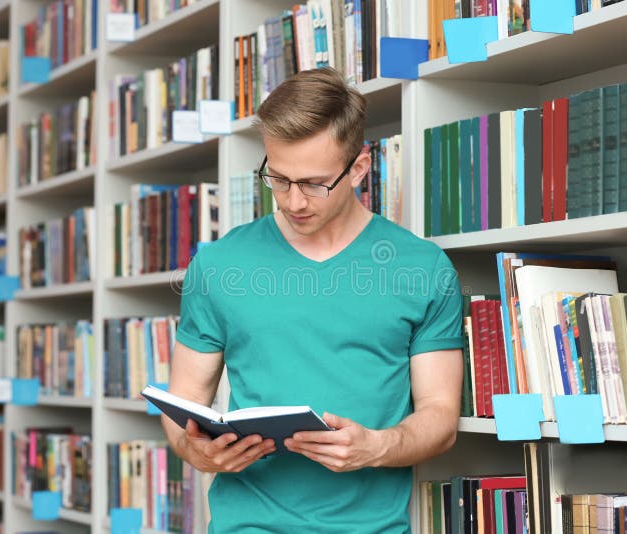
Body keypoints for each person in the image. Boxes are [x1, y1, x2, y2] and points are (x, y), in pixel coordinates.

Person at [162, 66, 464, 533]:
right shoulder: (218, 265)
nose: (294, 202)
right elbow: (184, 401)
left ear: (359, 169)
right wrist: (193, 449)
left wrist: (377, 446)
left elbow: (441, 417)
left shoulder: (422, 268)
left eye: (314, 183)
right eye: (278, 179)